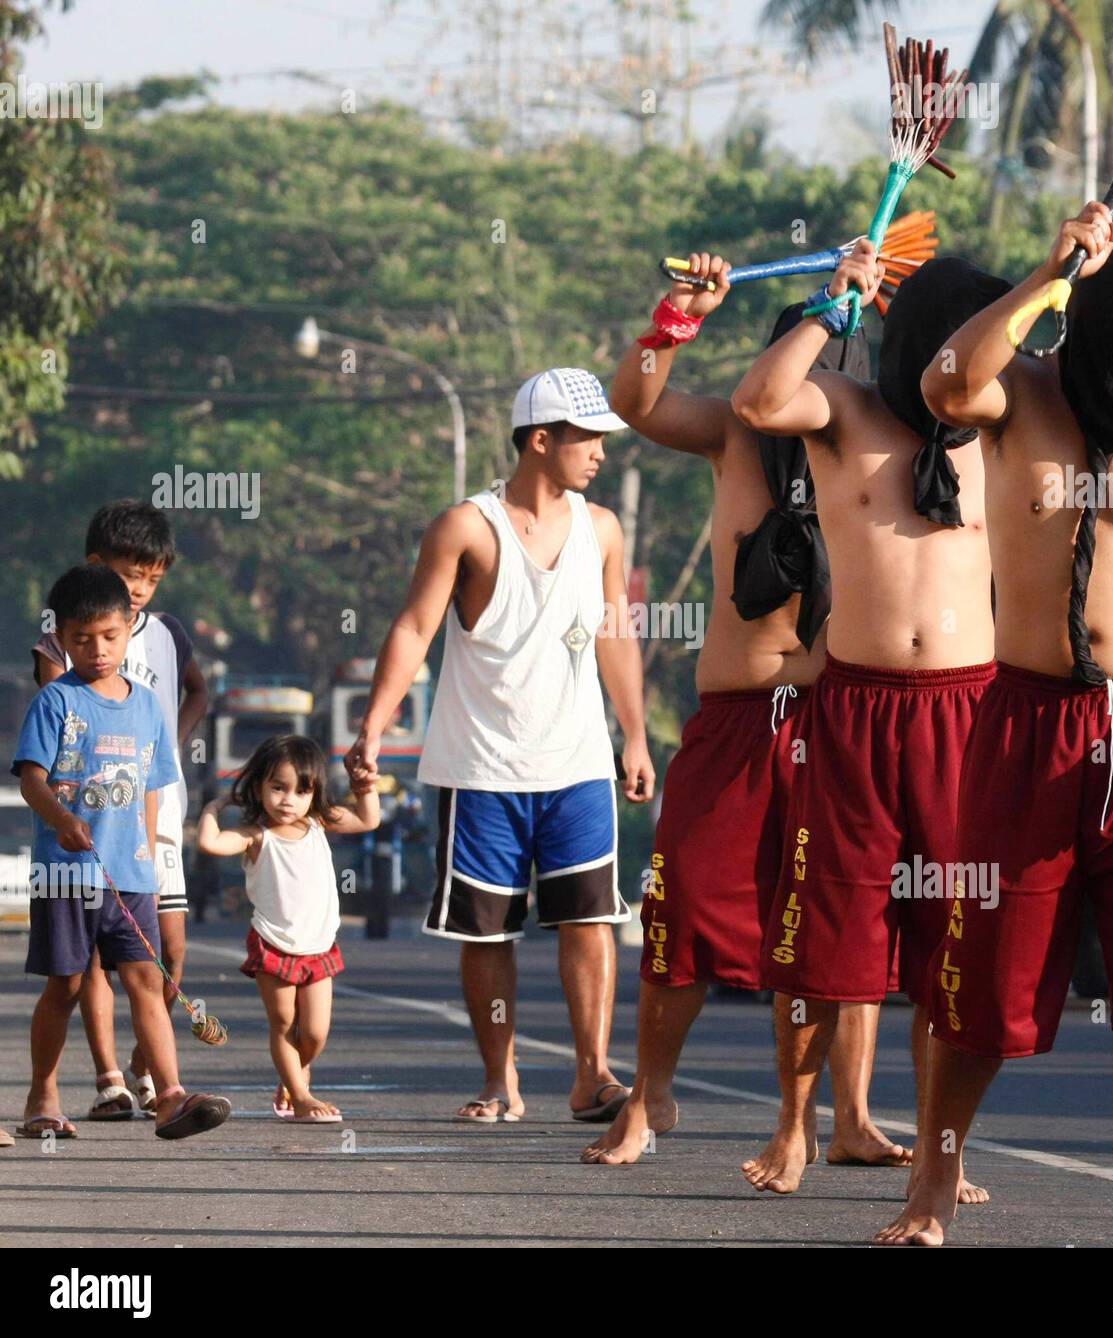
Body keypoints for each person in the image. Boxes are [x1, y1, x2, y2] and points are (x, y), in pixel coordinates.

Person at [875, 207, 1113, 1247]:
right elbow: (943, 386)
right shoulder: (1022, 393)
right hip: (1022, 721)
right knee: (981, 980)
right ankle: (928, 1190)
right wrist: (1046, 267)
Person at [588, 252, 908, 1169]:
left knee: (841, 925)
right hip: (738, 719)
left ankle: (846, 1120)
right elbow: (639, 403)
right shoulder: (735, 432)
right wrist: (676, 319)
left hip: (841, 716)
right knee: (681, 906)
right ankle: (647, 1101)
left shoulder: (881, 444)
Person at [729, 243, 1012, 1197]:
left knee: (952, 939)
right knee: (824, 931)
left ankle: (940, 1149)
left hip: (970, 715)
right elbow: (759, 403)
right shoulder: (844, 414)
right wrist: (830, 301)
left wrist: (1067, 271)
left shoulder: (1004, 427)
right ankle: (794, 1128)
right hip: (854, 708)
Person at [345, 368, 655, 1124]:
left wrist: (636, 735)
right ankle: (501, 1079)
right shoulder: (466, 526)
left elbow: (616, 632)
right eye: (586, 439)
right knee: (488, 930)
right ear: (540, 440)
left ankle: (592, 1074)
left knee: (590, 919)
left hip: (578, 763)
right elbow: (415, 627)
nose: (600, 454)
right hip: (481, 767)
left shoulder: (603, 528)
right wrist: (375, 726)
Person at [13, 565, 229, 1141]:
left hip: (131, 874)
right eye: (81, 639)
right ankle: (43, 1096)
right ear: (60, 636)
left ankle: (171, 1097)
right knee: (66, 985)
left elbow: (152, 791)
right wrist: (60, 819)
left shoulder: (148, 707)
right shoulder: (56, 701)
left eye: (108, 636)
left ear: (130, 626)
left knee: (146, 981)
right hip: (66, 875)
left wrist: (151, 863)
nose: (97, 649)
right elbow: (32, 778)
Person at [198, 735, 379, 1123]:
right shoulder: (255, 835)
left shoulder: (319, 822)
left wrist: (365, 786)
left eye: (300, 790)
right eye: (277, 787)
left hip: (319, 946)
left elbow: (368, 818)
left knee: (314, 1033)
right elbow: (210, 844)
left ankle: (295, 1074)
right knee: (282, 1024)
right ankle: (300, 1096)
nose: (287, 799)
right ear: (260, 785)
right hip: (273, 944)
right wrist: (214, 806)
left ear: (314, 794)